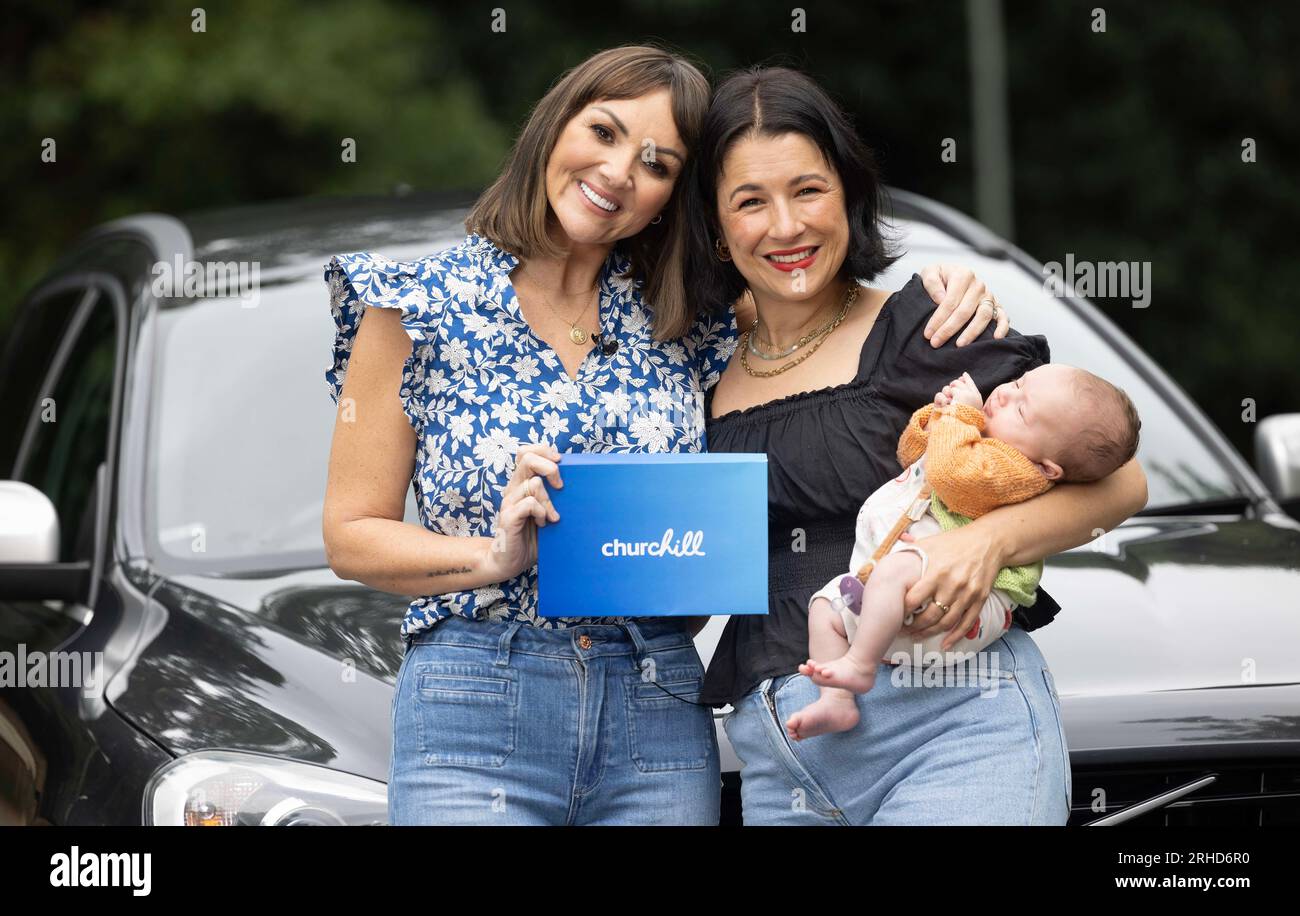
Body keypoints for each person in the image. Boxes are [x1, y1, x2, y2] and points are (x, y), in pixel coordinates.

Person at [321, 45, 1005, 825]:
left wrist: (937, 296)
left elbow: (818, 305)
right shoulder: (412, 307)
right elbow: (350, 535)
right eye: (603, 132)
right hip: (476, 699)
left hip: (658, 701)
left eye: (656, 164)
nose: (617, 173)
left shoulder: (688, 319)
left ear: (671, 201)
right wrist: (489, 557)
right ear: (552, 127)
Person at [686, 66, 1149, 824]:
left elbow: (1123, 484)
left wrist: (989, 541)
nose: (786, 226)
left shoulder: (929, 328)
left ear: (849, 194)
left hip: (951, 722)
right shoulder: (694, 371)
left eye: (808, 190)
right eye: (749, 202)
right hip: (776, 749)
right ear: (714, 223)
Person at [787, 365, 1142, 739]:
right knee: (824, 607)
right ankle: (835, 700)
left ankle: (860, 664)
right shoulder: (978, 438)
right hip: (896, 595)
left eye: (1022, 410)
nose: (1005, 394)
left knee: (895, 571)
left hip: (955, 608)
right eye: (1018, 384)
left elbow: (955, 477)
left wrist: (962, 415)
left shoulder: (1017, 469)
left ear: (1049, 467)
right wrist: (937, 417)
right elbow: (912, 454)